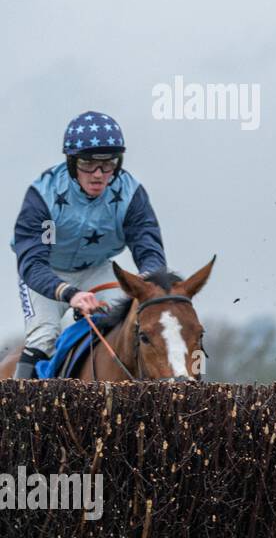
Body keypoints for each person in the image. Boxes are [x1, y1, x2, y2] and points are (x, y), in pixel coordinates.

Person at [9, 112, 167, 378]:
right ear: (71, 163)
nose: (98, 175)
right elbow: (32, 263)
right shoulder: (43, 195)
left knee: (133, 325)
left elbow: (149, 249)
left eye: (108, 165)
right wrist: (70, 294)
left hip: (97, 270)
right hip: (46, 273)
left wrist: (145, 279)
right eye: (88, 164)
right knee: (44, 337)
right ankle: (11, 413)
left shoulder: (130, 194)